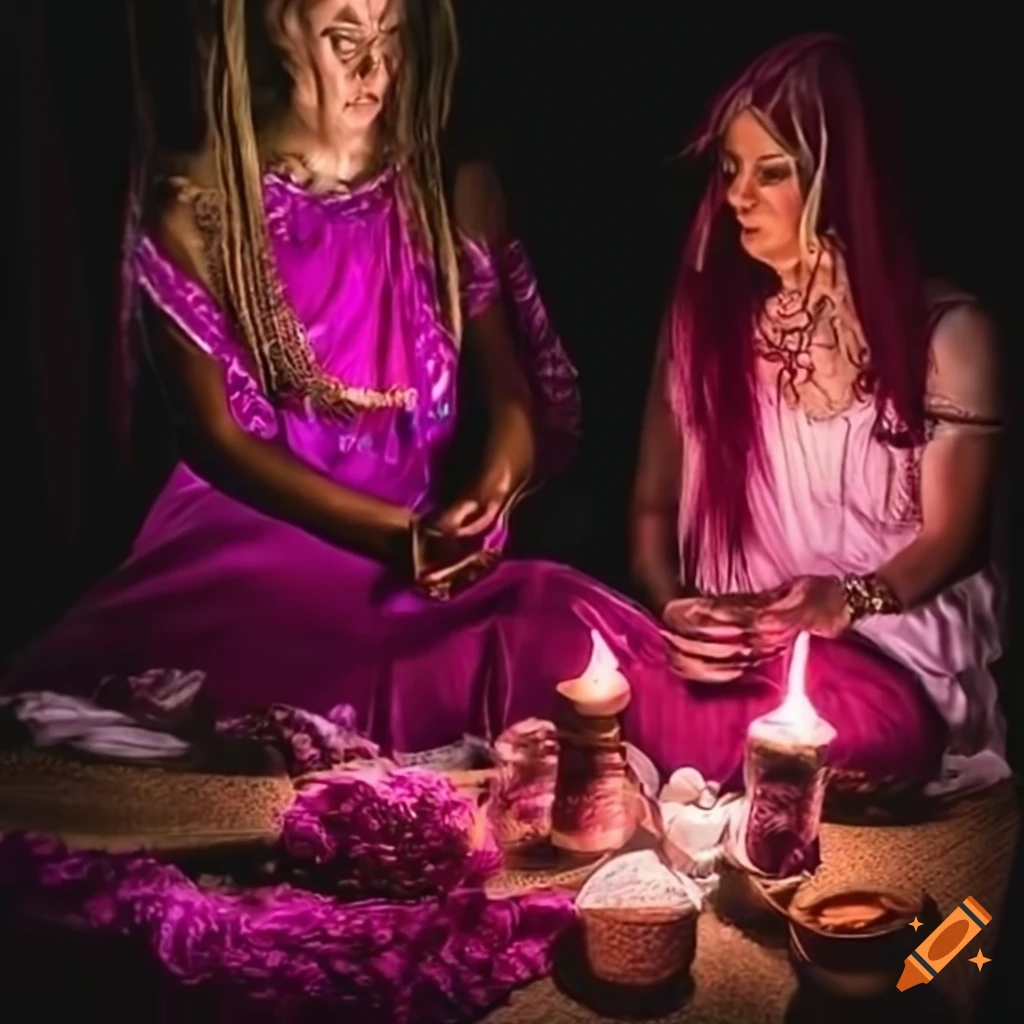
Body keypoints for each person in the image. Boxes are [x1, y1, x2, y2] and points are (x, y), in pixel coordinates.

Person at [1, 0, 680, 758]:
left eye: (389, 37)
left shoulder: (445, 189)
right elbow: (217, 442)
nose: (375, 69)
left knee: (565, 626)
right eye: (345, 39)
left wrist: (496, 485)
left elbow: (512, 398)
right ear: (277, 28)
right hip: (250, 541)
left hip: (410, 554)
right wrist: (388, 536)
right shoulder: (203, 210)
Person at [627, 33, 1009, 797]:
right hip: (735, 657)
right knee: (556, 624)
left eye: (771, 173)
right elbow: (651, 508)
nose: (737, 195)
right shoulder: (701, 326)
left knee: (810, 735)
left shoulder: (949, 336)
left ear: (842, 181)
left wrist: (845, 600)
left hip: (882, 662)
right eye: (731, 170)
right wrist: (675, 606)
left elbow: (955, 543)